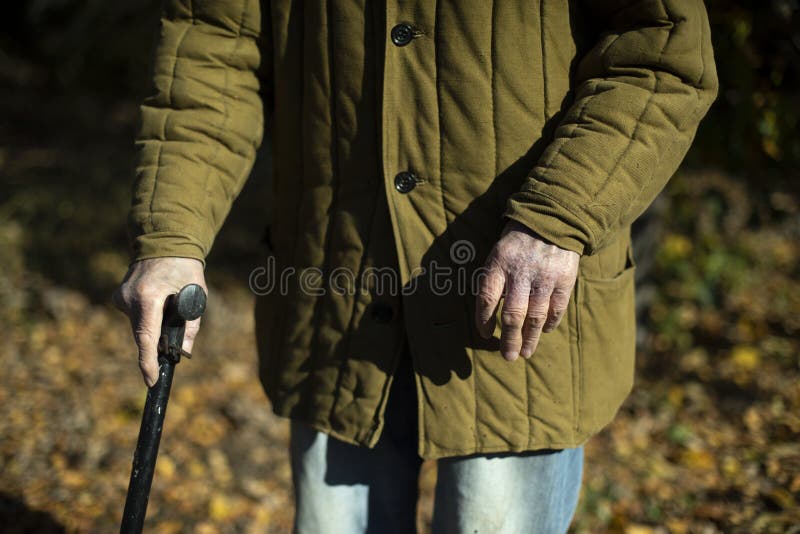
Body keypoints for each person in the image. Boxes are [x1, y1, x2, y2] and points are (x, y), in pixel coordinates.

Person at [114, 1, 718, 532]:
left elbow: (661, 50)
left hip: (514, 314)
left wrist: (557, 214)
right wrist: (172, 232)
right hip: (333, 297)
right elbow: (211, 52)